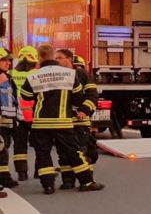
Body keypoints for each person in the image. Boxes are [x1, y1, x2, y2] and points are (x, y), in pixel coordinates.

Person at [21, 44, 103, 194]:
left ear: (39, 57)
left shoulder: (33, 76)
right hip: (63, 122)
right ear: (53, 56)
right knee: (73, 151)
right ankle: (86, 181)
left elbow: (25, 96)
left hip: (40, 123)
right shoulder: (70, 75)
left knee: (43, 154)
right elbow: (78, 98)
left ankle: (48, 186)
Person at [54, 51, 98, 188]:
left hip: (79, 121)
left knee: (82, 151)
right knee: (63, 153)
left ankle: (87, 180)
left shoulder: (81, 74)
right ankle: (68, 181)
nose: (56, 61)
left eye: (59, 58)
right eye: (55, 58)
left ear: (69, 59)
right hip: (63, 121)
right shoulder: (56, 75)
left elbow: (92, 95)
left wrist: (84, 110)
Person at [10, 46, 39, 182]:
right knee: (40, 144)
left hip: (17, 116)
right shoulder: (37, 74)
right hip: (35, 115)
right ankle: (40, 171)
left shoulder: (11, 74)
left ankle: (22, 173)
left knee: (19, 144)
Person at [0, 48, 19, 192]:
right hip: (2, 120)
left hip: (6, 120)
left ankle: (4, 176)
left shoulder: (6, 77)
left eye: (9, 60)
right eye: (4, 60)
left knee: (3, 148)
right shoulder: (2, 78)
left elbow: (11, 100)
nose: (8, 63)